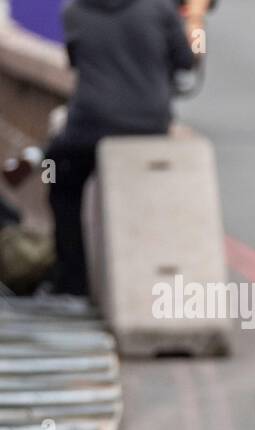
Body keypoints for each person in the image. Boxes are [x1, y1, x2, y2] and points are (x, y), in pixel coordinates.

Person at [45, 0, 207, 299]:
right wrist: (196, 21)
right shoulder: (161, 9)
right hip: (149, 123)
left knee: (52, 173)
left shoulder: (73, 11)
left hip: (88, 127)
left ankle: (71, 281)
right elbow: (189, 60)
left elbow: (75, 60)